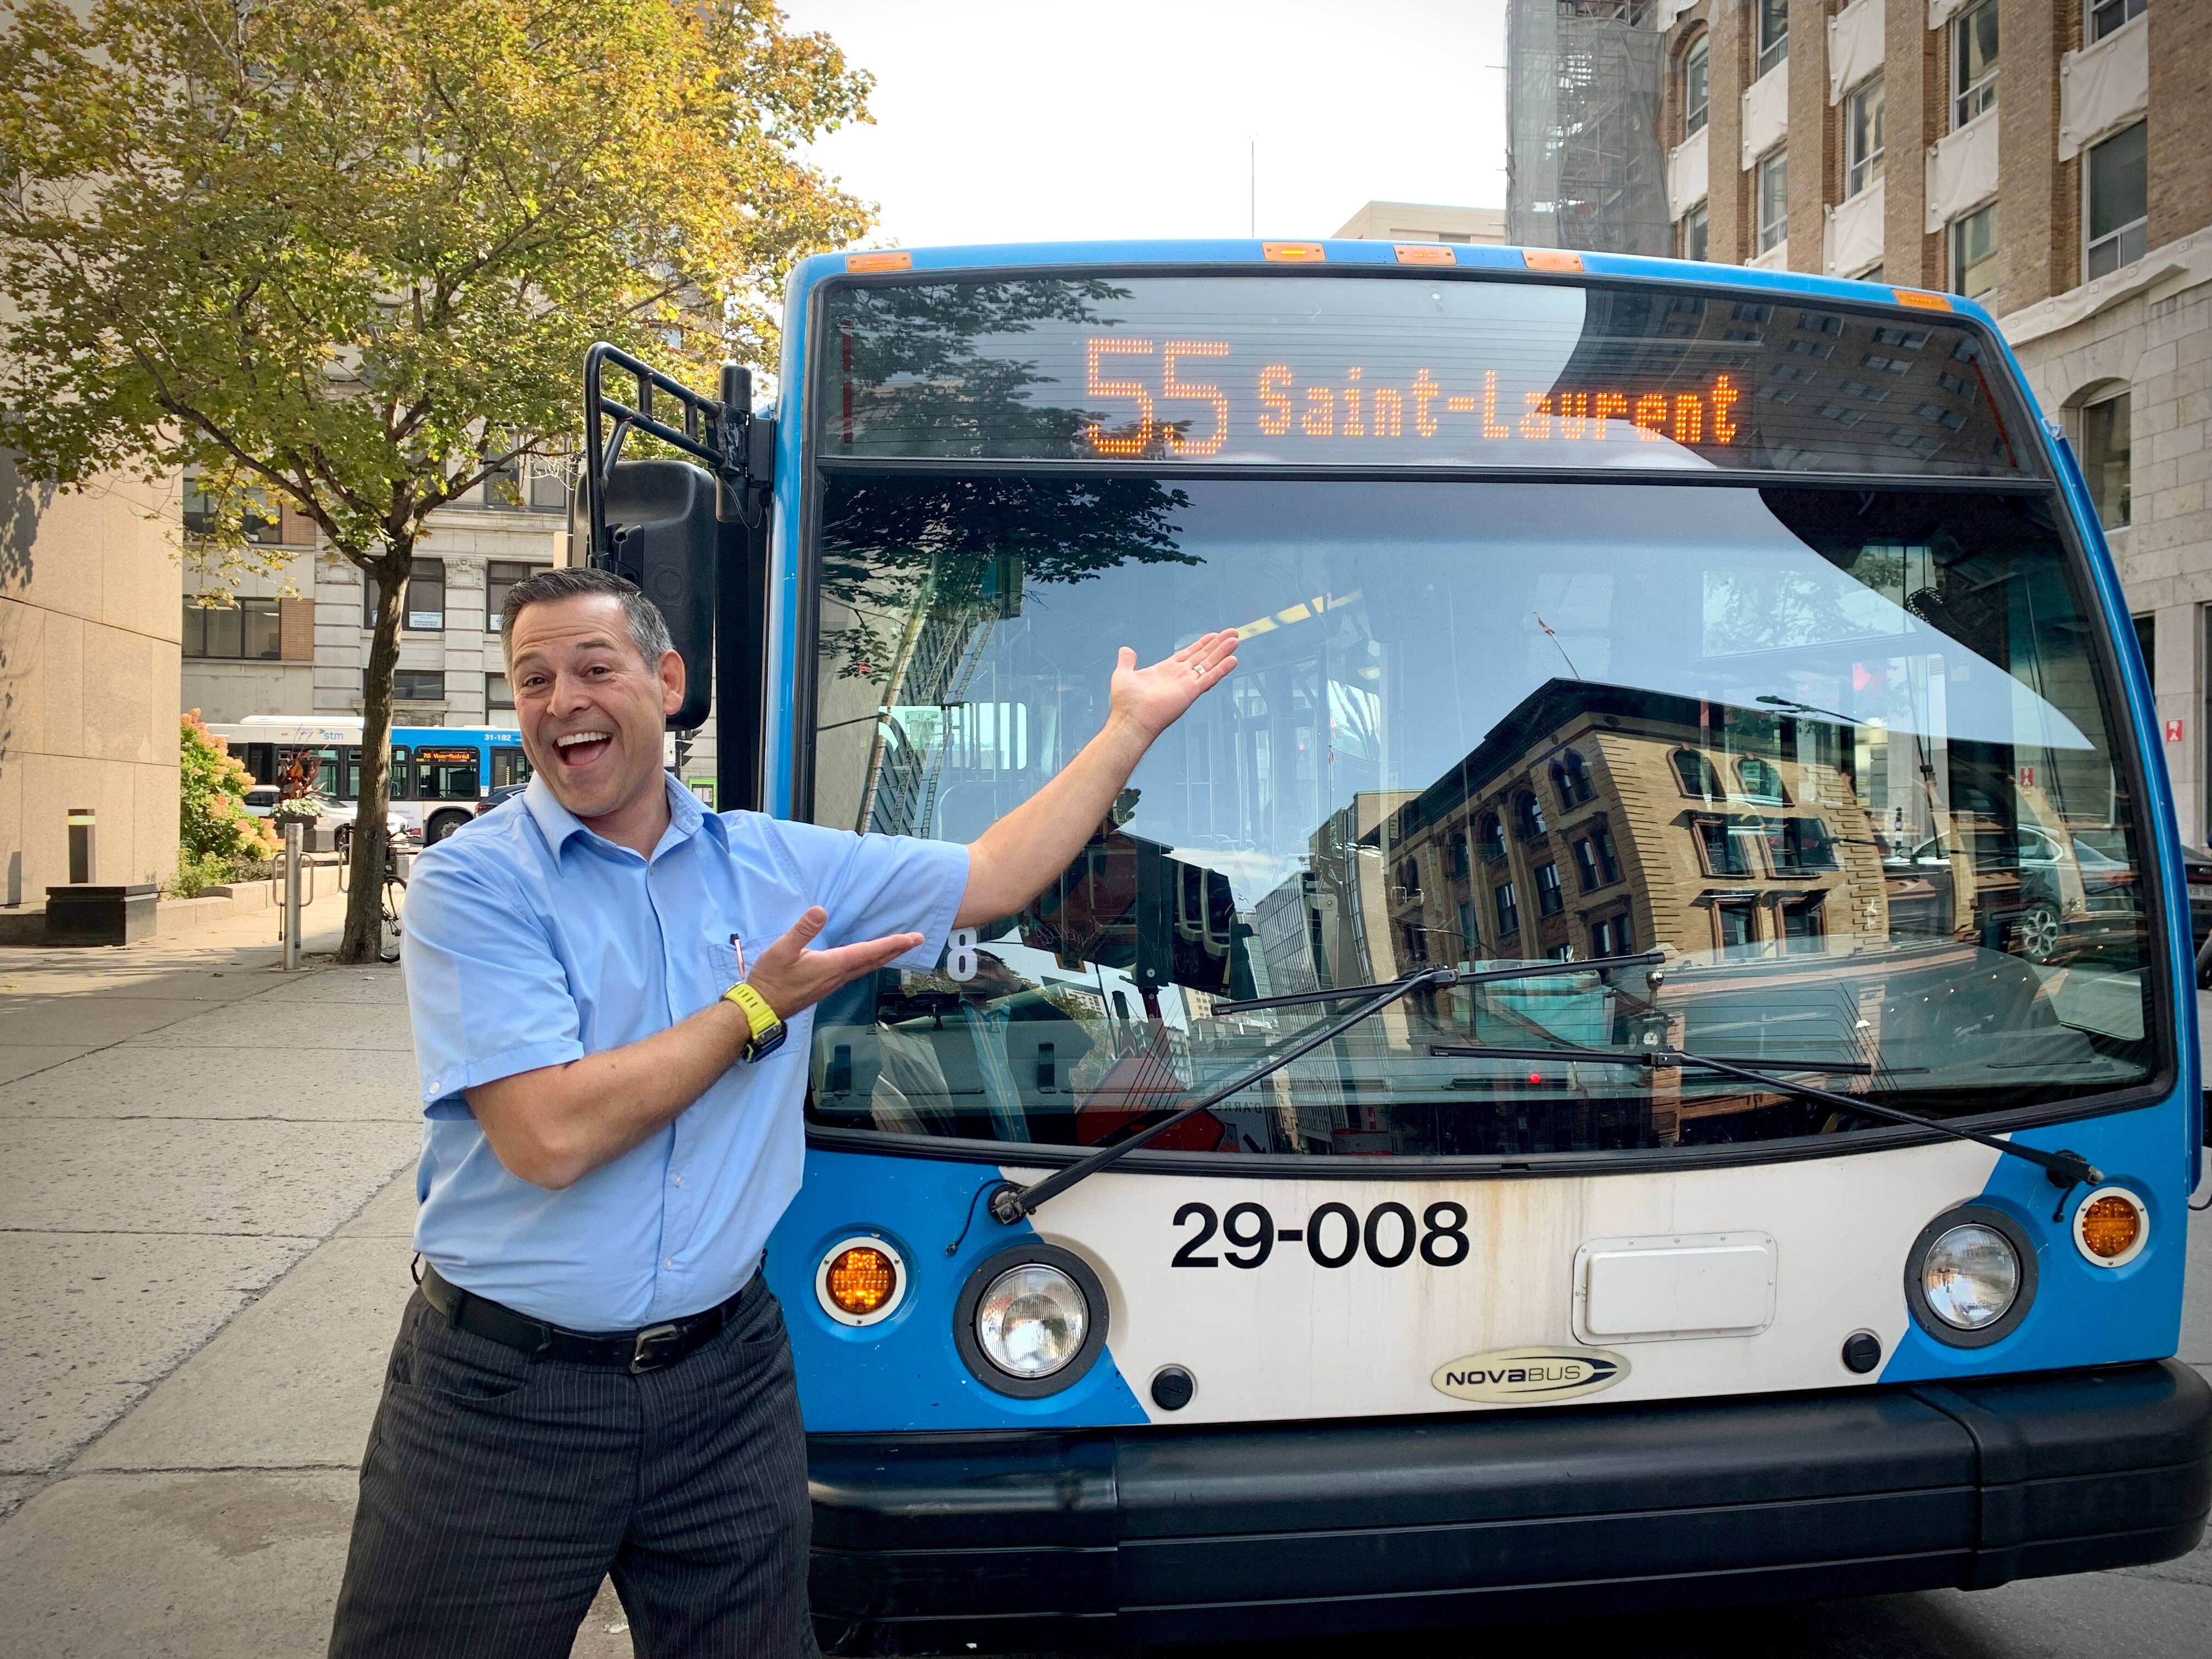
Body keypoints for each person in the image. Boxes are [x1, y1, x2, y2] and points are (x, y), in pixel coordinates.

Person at [328, 565, 1235, 1658]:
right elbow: (549, 1136)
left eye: (593, 667)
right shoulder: (474, 885)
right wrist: (755, 1006)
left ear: (666, 682)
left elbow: (995, 874)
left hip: (725, 1381)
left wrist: (1127, 732)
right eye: (532, 678)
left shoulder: (777, 861)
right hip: (505, 1397)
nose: (561, 698)